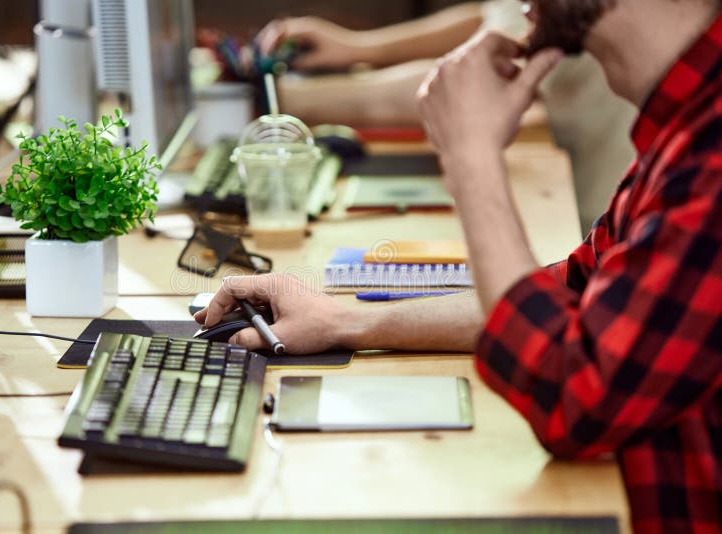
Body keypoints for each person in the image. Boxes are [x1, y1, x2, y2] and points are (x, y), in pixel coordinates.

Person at [197, 0, 722, 530]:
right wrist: (345, 322)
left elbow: (575, 399)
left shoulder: (711, 158)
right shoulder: (684, 127)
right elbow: (573, 292)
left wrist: (472, 157)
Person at [259, 0, 637, 234]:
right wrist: (360, 48)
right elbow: (493, 21)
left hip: (601, 223)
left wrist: (279, 99)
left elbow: (465, 88)